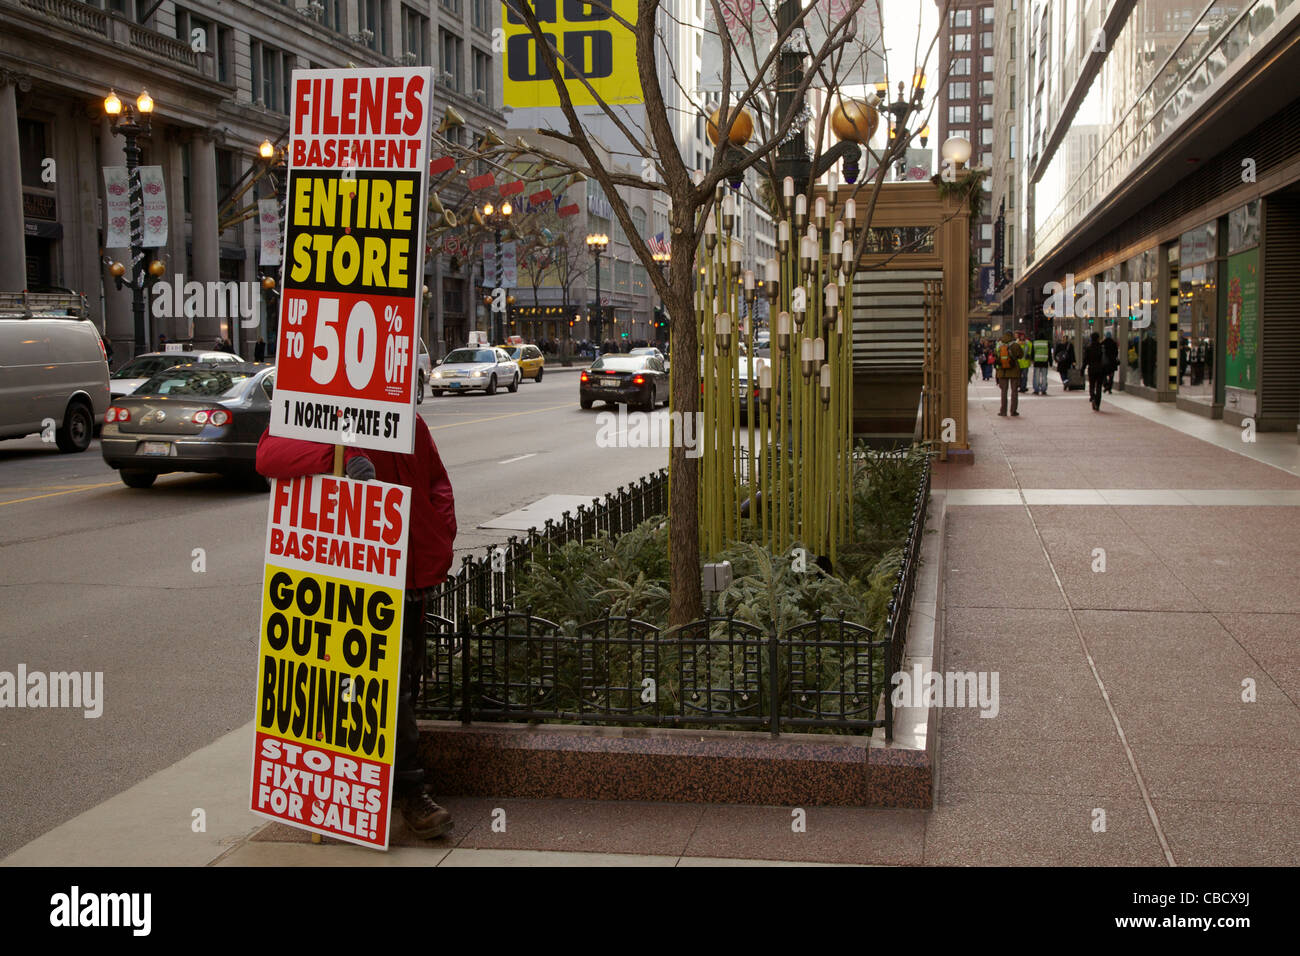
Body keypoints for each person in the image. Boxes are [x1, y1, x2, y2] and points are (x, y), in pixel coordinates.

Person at [255, 416, 458, 839]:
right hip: (361, 582)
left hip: (413, 574)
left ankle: (381, 789)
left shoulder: (409, 421)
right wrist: (343, 455)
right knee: (385, 692)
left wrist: (440, 534)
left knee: (406, 686)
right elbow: (269, 455)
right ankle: (411, 793)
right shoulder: (323, 413)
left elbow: (436, 481)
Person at [994, 330, 1023, 416]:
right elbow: (1021, 355)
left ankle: (1003, 411)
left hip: (1002, 371)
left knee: (1004, 391)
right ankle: (1013, 411)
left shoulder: (999, 345)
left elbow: (996, 356)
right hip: (1014, 370)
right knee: (1014, 391)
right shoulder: (1015, 345)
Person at [1081, 331, 1106, 411]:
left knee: (1091, 385)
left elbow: (1085, 360)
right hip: (1100, 369)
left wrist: (1082, 369)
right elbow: (1103, 359)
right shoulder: (1101, 348)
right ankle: (1097, 404)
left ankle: (1092, 397)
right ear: (1098, 338)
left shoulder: (1088, 348)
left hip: (1091, 369)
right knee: (1099, 387)